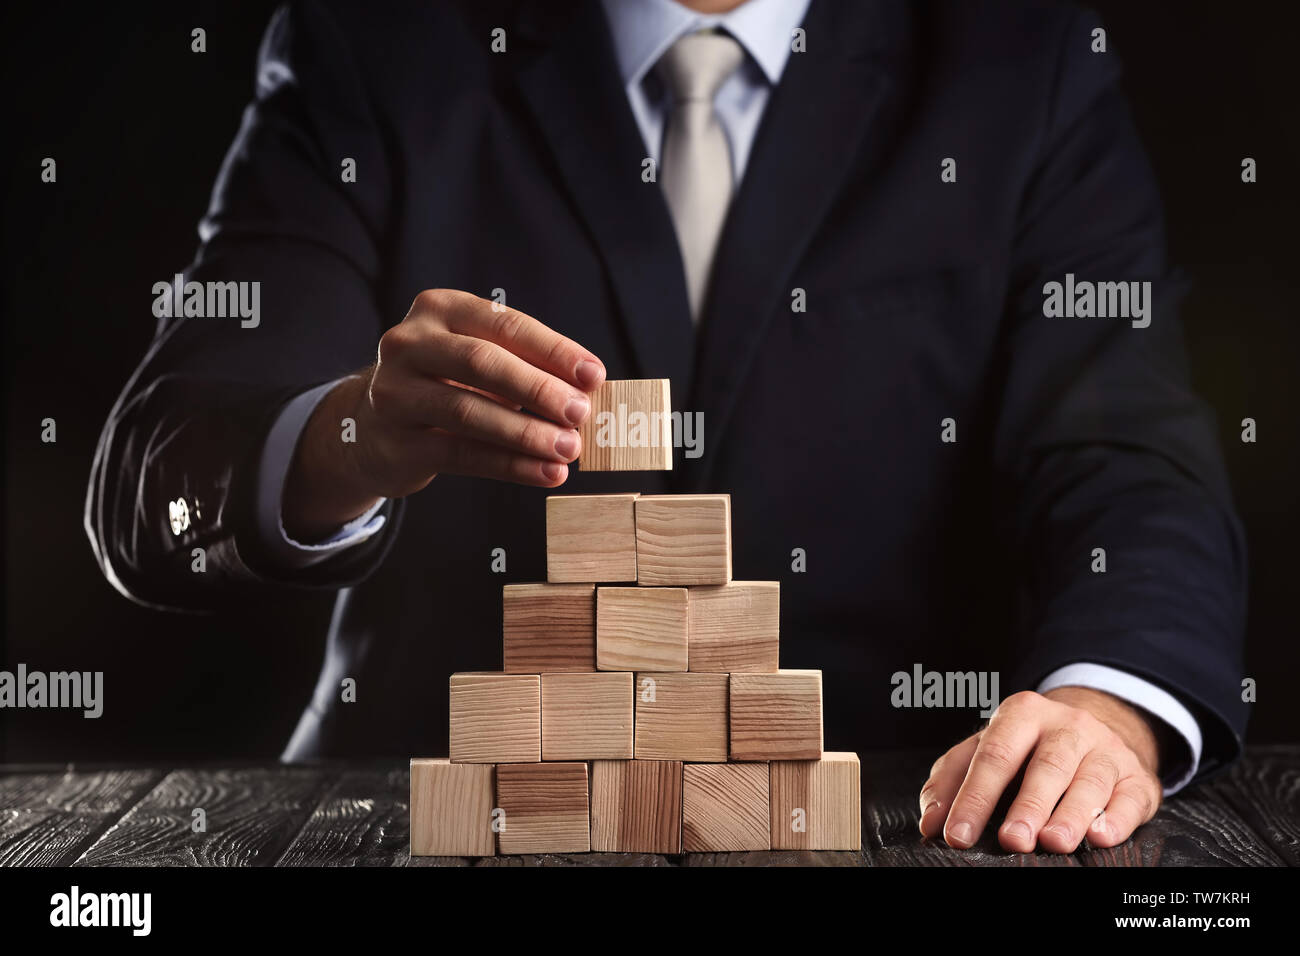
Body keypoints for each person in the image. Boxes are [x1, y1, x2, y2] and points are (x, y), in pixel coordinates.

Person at [86, 0, 1248, 854]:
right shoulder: (374, 44)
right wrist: (350, 435)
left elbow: (1129, 454)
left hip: (892, 813)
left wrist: (1109, 703)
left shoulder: (1020, 60)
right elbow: (158, 477)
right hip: (419, 816)